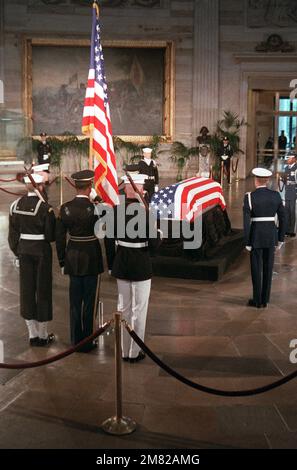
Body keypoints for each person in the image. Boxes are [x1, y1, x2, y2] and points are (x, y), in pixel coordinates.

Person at [110, 174, 162, 363]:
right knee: (139, 310)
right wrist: (158, 233)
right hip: (140, 263)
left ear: (126, 189)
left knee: (123, 308)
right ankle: (134, 352)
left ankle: (124, 350)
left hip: (122, 261)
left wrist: (111, 263)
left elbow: (110, 238)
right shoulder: (145, 212)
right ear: (141, 190)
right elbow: (154, 245)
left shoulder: (116, 211)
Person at [55, 170, 107, 352]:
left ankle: (76, 341)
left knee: (75, 301)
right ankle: (88, 340)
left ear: (76, 186)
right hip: (91, 256)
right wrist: (98, 199)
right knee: (90, 300)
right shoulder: (96, 209)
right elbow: (109, 220)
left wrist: (62, 261)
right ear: (90, 187)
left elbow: (60, 238)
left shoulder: (64, 208)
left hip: (72, 256)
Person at [8, 173, 56, 346]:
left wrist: (18, 252)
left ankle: (32, 334)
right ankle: (43, 335)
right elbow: (50, 236)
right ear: (40, 187)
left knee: (26, 291)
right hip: (41, 252)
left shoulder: (15, 206)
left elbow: (12, 236)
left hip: (24, 252)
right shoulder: (45, 208)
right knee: (42, 291)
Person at [243, 168, 286, 308]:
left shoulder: (249, 197)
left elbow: (246, 222)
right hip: (271, 236)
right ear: (267, 181)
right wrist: (280, 239)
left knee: (256, 268)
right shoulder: (276, 195)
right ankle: (265, 299)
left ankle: (256, 300)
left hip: (256, 236)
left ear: (256, 181)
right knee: (268, 268)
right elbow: (283, 218)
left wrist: (248, 241)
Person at [283, 152, 297, 237]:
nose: (287, 160)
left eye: (289, 158)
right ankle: (287, 229)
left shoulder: (296, 169)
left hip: (293, 192)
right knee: (287, 211)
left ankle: (291, 230)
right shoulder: (286, 168)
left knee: (292, 211)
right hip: (287, 191)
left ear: (294, 159)